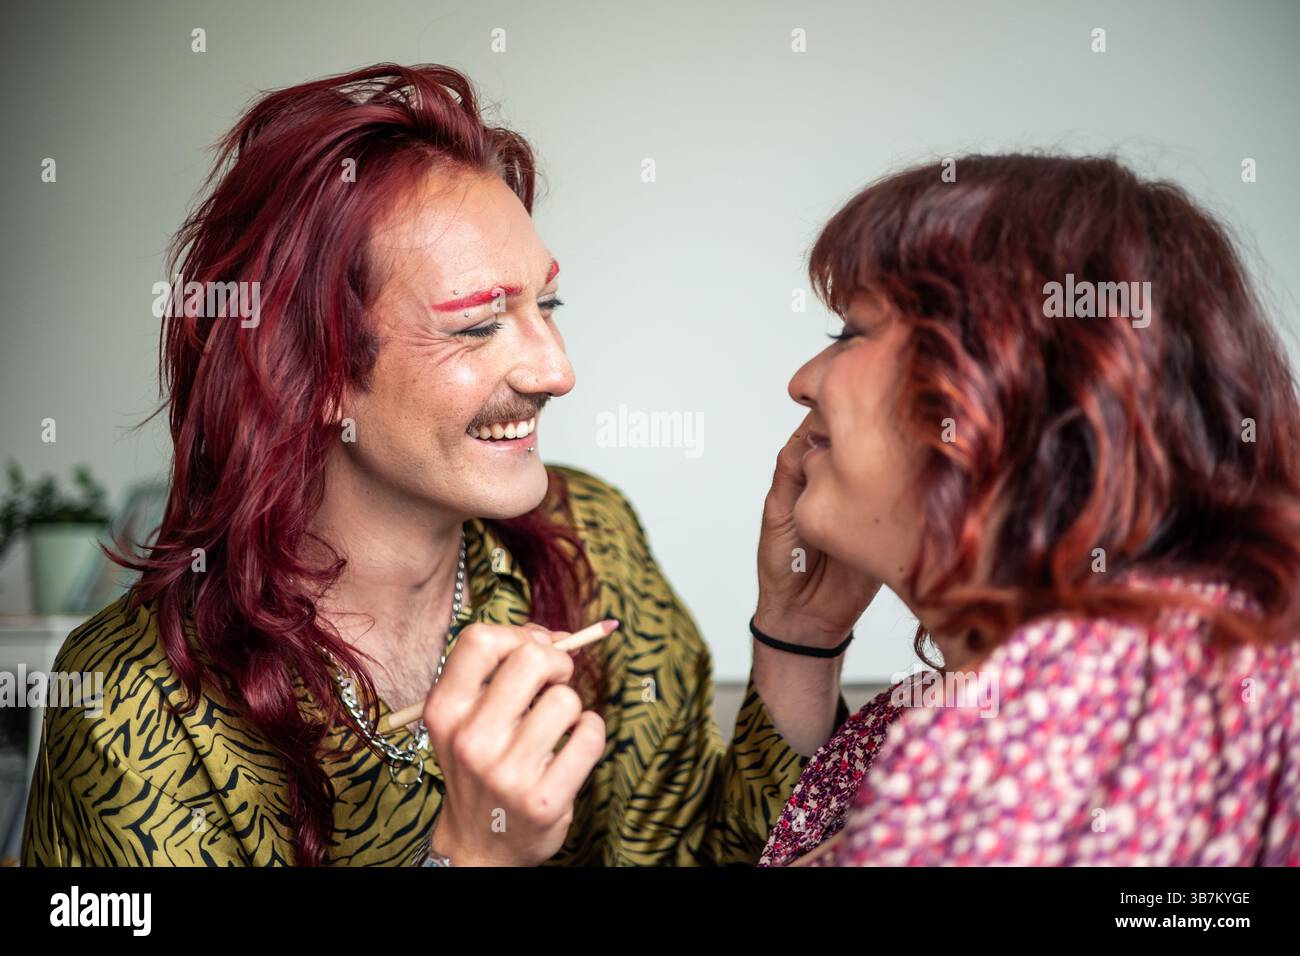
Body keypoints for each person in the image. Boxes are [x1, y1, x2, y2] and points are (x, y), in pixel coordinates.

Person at [21, 63, 852, 867]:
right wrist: (467, 859)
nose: (556, 371)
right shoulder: (132, 699)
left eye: (546, 305)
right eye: (477, 325)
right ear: (310, 375)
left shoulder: (588, 536)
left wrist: (800, 635)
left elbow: (724, 856)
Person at [755, 153, 1300, 866]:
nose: (802, 384)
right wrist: (799, 630)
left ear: (1001, 383)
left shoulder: (1116, 711)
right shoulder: (945, 712)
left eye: (849, 335)